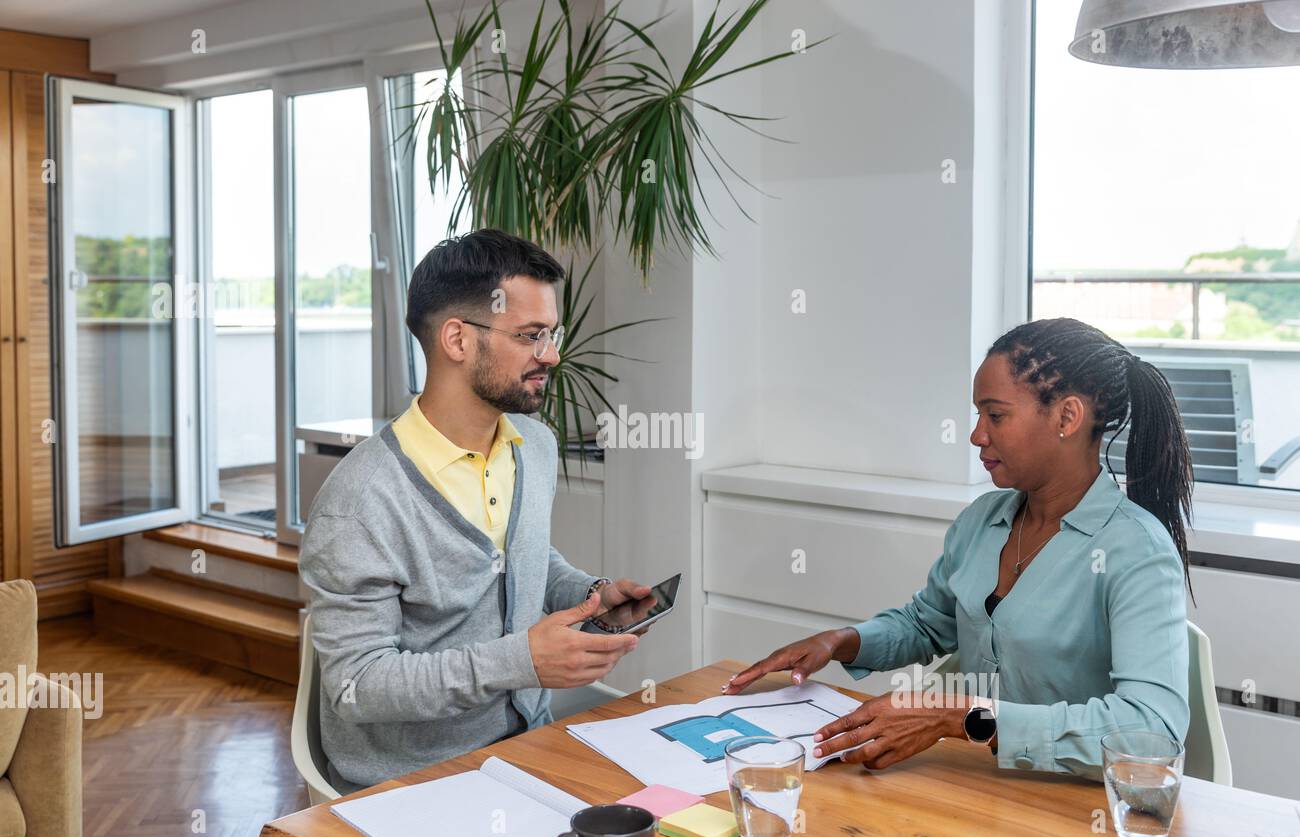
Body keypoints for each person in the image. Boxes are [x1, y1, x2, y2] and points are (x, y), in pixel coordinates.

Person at [725, 317, 1193, 780]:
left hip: (1076, 810)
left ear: (1066, 417)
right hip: (977, 787)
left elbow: (1151, 729)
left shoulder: (1137, 551)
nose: (977, 435)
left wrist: (956, 718)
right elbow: (929, 623)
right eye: (978, 415)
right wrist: (840, 641)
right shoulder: (983, 520)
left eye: (996, 415)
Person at [299, 229, 655, 793]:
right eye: (531, 336)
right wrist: (522, 661)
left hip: (525, 748)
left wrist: (589, 593)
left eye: (552, 334)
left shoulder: (532, 444)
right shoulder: (359, 503)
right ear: (458, 340)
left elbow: (517, 556)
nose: (553, 355)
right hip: (410, 784)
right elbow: (356, 686)